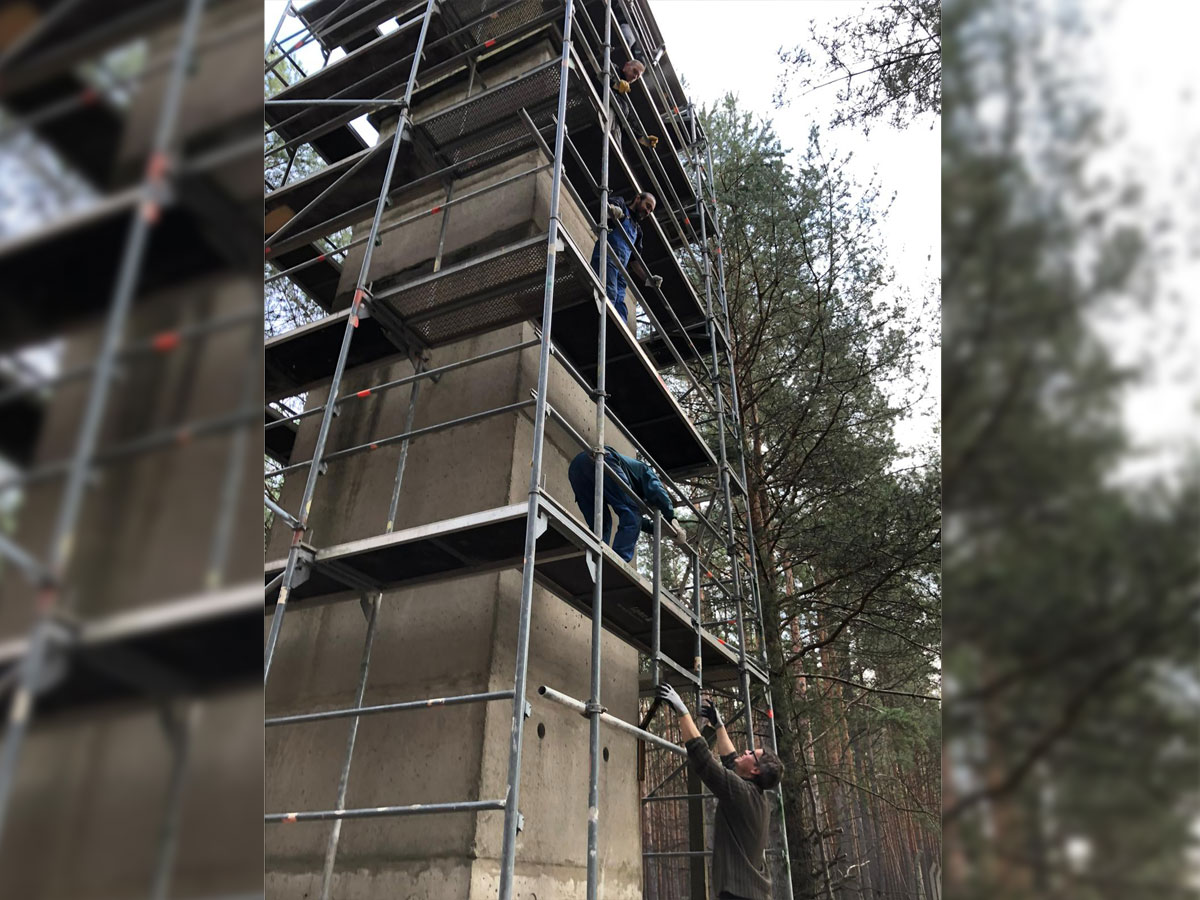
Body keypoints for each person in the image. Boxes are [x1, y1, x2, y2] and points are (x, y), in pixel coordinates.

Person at [656, 683, 783, 900]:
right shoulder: (754, 795)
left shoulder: (742, 793)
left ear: (754, 769)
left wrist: (682, 710)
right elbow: (732, 761)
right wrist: (719, 725)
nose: (745, 751)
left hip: (739, 895)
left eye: (751, 753)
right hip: (750, 892)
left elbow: (703, 758)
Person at [567, 445, 684, 562]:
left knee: (601, 522)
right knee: (632, 511)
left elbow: (637, 523)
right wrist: (671, 518)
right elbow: (658, 493)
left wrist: (659, 529)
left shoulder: (634, 492)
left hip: (577, 467)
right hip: (604, 459)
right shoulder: (647, 472)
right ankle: (618, 561)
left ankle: (594, 558)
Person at [590, 191, 662, 323]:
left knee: (620, 306)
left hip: (621, 272)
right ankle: (604, 327)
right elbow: (608, 206)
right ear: (638, 198)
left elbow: (634, 260)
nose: (648, 212)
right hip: (607, 258)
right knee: (609, 294)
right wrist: (613, 211)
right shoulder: (622, 204)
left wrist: (647, 279)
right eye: (647, 206)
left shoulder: (637, 231)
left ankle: (616, 334)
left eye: (650, 210)